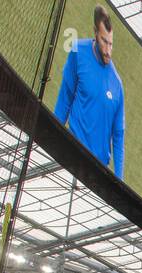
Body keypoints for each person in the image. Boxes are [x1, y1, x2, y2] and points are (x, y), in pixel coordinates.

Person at [53, 5, 125, 177]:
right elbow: (65, 98)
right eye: (104, 41)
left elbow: (118, 135)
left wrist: (119, 181)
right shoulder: (78, 51)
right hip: (70, 151)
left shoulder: (117, 84)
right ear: (95, 33)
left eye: (111, 44)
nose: (108, 51)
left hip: (97, 169)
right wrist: (52, 139)